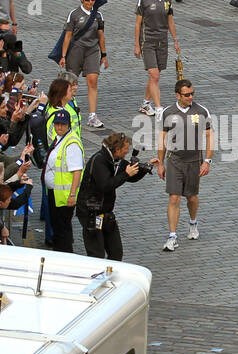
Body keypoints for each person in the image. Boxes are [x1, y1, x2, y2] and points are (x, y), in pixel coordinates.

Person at [75, 132, 153, 260]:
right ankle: (98, 277)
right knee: (96, 254)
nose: (127, 152)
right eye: (125, 149)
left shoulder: (116, 160)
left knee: (116, 252)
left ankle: (111, 276)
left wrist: (144, 168)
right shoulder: (99, 160)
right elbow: (106, 185)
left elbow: (129, 175)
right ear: (117, 149)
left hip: (106, 212)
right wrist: (126, 174)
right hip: (91, 213)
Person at [157, 78, 214, 252]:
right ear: (177, 95)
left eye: (192, 94)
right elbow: (162, 139)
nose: (190, 97)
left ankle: (193, 223)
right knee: (174, 197)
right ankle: (172, 236)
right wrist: (160, 162)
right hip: (174, 160)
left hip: (194, 161)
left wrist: (207, 161)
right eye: (187, 94)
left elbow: (210, 136)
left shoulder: (201, 111)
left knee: (191, 197)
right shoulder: (168, 112)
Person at [59, 0, 109, 130]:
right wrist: (63, 55)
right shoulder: (74, 14)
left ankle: (92, 115)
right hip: (76, 50)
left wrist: (104, 54)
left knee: (93, 80)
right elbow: (67, 36)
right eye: (87, 0)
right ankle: (67, 109)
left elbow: (101, 35)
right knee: (70, 84)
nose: (90, 2)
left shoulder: (98, 15)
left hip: (92, 50)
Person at [134, 0, 180, 117]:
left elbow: (170, 20)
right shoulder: (144, 0)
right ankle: (159, 107)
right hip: (147, 41)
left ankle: (145, 103)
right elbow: (138, 24)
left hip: (163, 41)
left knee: (155, 75)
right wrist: (136, 45)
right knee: (154, 74)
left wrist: (175, 40)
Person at [42, 109, 84, 254]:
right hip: (56, 193)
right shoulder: (60, 138)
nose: (59, 127)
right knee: (59, 226)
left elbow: (77, 170)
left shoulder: (71, 143)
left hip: (65, 195)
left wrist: (73, 195)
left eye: (62, 125)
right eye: (57, 124)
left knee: (62, 228)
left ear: (68, 125)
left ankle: (65, 254)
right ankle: (61, 251)